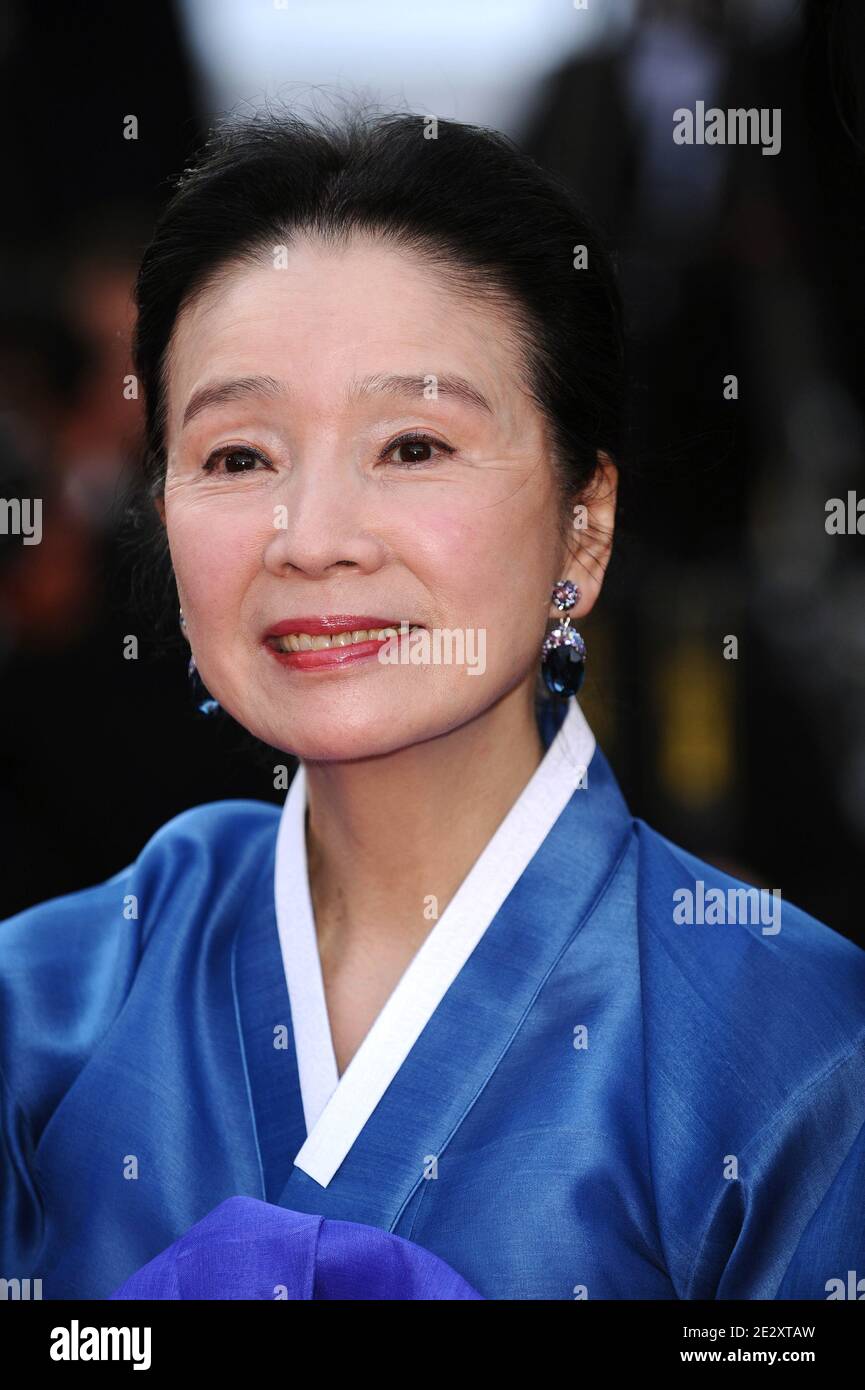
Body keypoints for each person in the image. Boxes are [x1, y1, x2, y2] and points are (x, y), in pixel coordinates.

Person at [1, 110, 863, 1302]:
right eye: (239, 456)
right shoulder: (41, 1007)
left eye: (411, 445)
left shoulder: (806, 1050)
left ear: (586, 518)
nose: (312, 540)